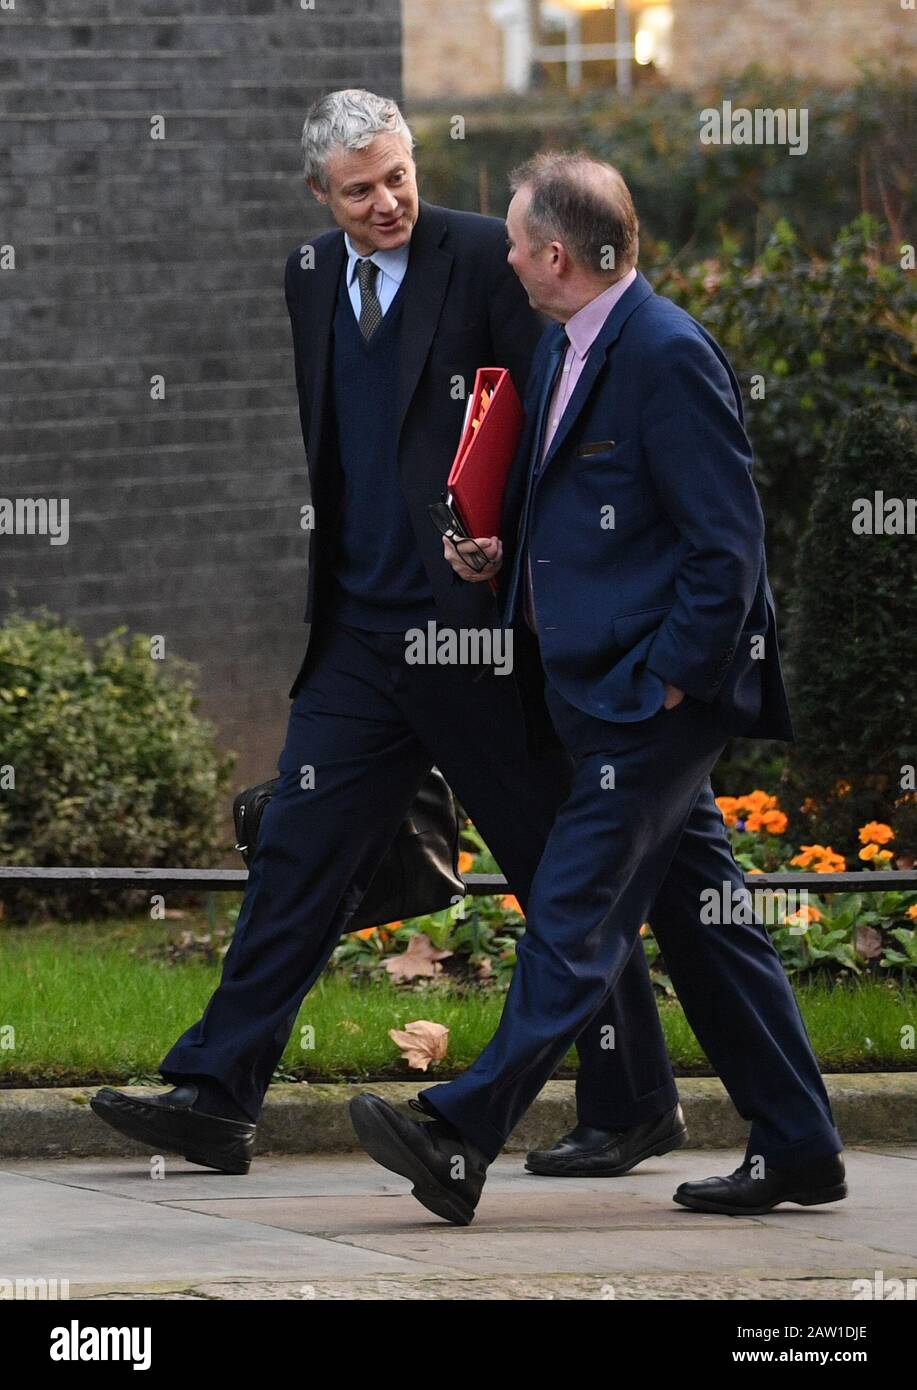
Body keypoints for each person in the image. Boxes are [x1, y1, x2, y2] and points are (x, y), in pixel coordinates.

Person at [90, 99, 685, 1178]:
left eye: (398, 176)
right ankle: (215, 1093)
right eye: (360, 188)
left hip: (474, 636)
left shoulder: (481, 256)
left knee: (559, 865)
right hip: (360, 634)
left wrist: (508, 543)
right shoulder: (308, 276)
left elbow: (552, 409)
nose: (387, 202)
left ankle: (632, 1098)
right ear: (320, 193)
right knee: (297, 851)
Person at [349, 152, 846, 1226]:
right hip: (597, 690)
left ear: (558, 255)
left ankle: (456, 1131)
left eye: (520, 242)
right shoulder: (566, 342)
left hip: (645, 703)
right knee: (709, 926)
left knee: (571, 918)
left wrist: (667, 684)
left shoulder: (661, 352)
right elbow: (591, 507)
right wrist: (500, 553)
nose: (509, 256)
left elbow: (727, 550)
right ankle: (800, 1144)